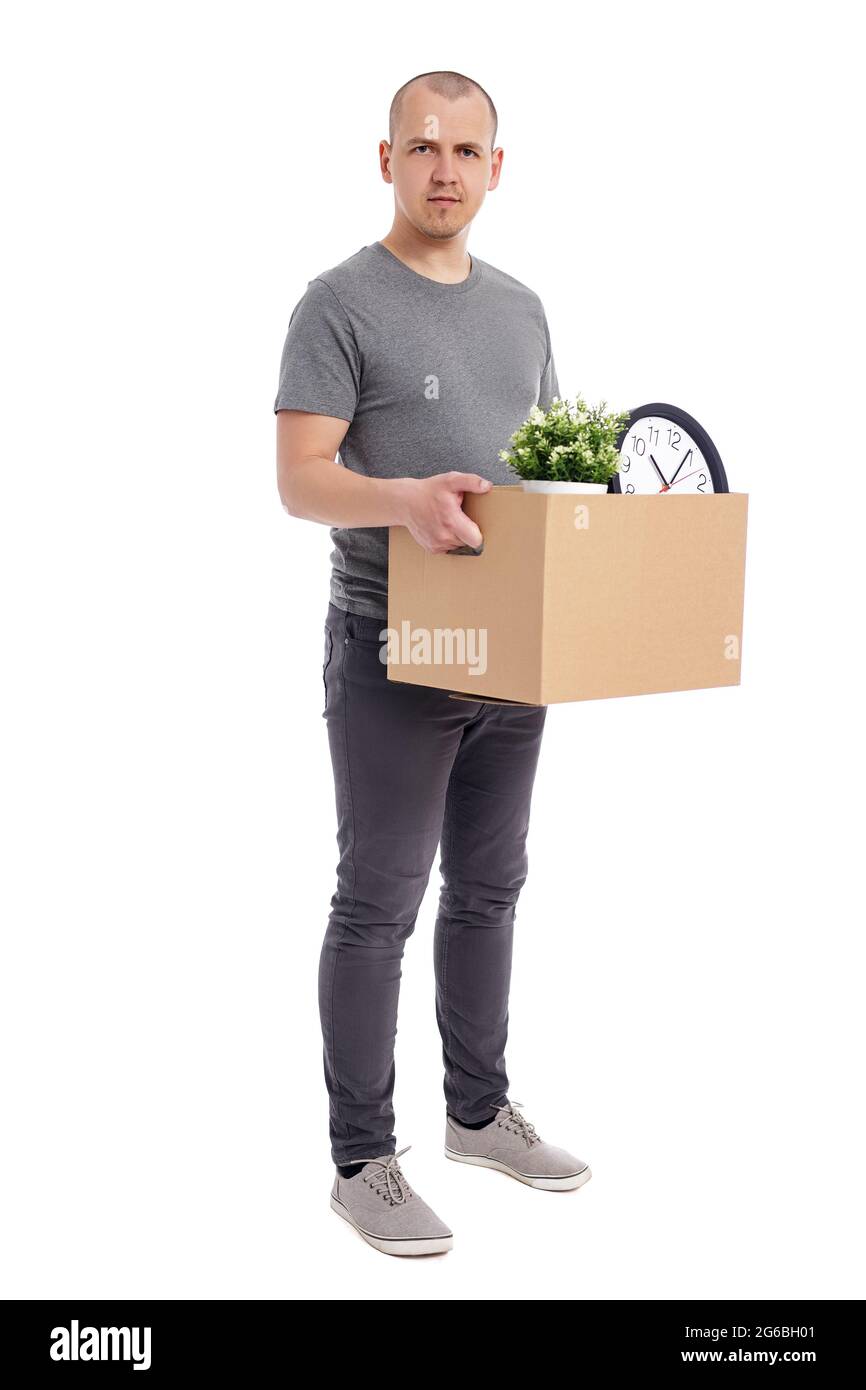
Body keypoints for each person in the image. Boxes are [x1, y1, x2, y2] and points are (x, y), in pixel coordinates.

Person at [274, 69, 591, 1258]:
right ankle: (363, 1159)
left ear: (495, 169)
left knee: (493, 884)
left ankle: (475, 1113)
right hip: (391, 646)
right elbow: (299, 477)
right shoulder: (337, 302)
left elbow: (548, 467)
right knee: (378, 900)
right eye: (421, 146)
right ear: (386, 161)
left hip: (513, 644)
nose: (443, 167)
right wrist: (400, 499)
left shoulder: (520, 308)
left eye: (465, 149)